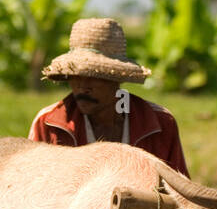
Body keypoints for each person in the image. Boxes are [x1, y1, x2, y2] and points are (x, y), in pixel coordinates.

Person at [27, 18, 189, 175]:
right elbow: (31, 191)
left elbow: (180, 195)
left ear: (116, 79)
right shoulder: (49, 123)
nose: (82, 86)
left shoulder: (159, 124)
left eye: (94, 76)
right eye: (75, 75)